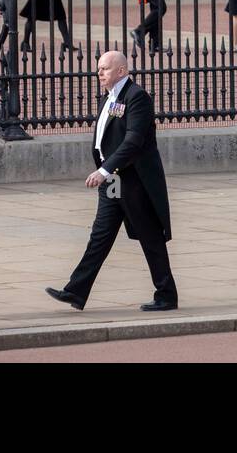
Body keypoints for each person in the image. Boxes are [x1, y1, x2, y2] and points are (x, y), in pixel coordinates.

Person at [47, 51, 177, 311]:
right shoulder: (110, 97)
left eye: (105, 69)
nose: (100, 73)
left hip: (134, 181)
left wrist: (104, 170)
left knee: (150, 237)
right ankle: (76, 292)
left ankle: (166, 295)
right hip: (113, 182)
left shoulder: (136, 97)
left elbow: (133, 141)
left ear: (121, 71)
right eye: (98, 69)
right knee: (100, 236)